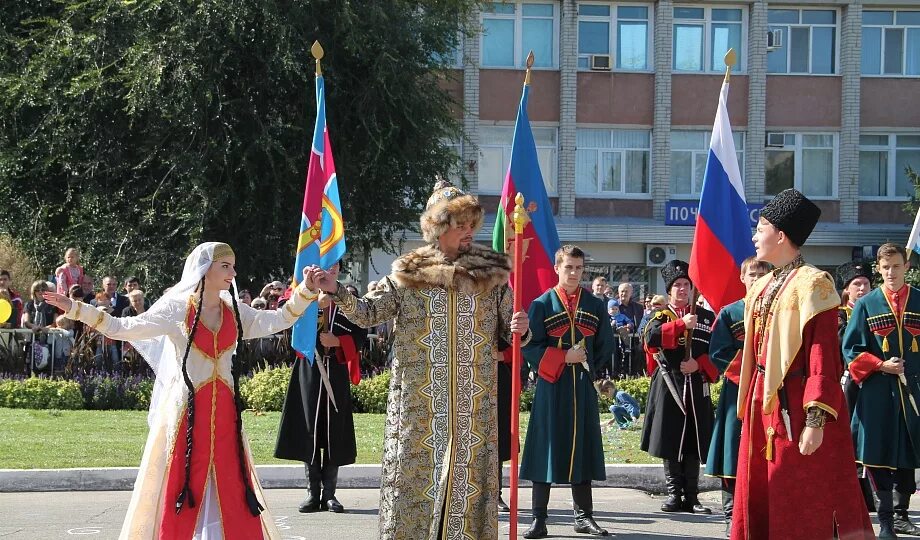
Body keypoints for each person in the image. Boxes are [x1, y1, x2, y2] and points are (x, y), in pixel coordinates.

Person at [43, 242, 320, 539]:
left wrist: (306, 287)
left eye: (232, 266)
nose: (233, 272)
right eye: (225, 266)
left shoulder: (236, 311)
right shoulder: (176, 310)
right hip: (186, 416)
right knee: (183, 485)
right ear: (205, 269)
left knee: (230, 482)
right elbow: (121, 327)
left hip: (226, 416)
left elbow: (281, 318)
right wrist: (75, 308)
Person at [310, 179, 530, 540]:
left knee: (469, 477)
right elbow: (368, 314)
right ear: (439, 229)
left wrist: (522, 326)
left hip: (472, 405)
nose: (468, 233)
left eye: (471, 225)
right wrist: (336, 292)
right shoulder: (406, 274)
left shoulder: (491, 276)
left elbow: (512, 330)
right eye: (461, 226)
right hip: (421, 403)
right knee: (417, 478)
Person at [732, 188, 874, 540]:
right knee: (760, 493)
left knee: (796, 500)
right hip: (761, 403)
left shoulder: (814, 284)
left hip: (795, 407)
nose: (754, 235)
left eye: (760, 227)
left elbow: (822, 356)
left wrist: (816, 420)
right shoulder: (762, 283)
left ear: (780, 235)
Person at [519, 244, 613, 538]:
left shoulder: (596, 305)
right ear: (557, 268)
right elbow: (530, 347)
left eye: (579, 268)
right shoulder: (542, 304)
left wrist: (591, 368)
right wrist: (562, 358)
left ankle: (584, 517)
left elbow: (605, 345)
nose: (574, 273)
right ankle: (539, 518)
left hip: (582, 387)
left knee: (582, 446)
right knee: (544, 448)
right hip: (552, 385)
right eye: (569, 267)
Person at [275, 261, 367, 514]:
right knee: (310, 430)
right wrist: (314, 303)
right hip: (309, 368)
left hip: (335, 371)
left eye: (335, 267)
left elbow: (360, 333)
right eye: (327, 266)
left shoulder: (347, 297)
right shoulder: (300, 292)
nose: (331, 271)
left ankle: (330, 494)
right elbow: (284, 314)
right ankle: (312, 493)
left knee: (333, 432)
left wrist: (338, 340)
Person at [843, 243, 920, 538]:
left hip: (913, 390)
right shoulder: (866, 304)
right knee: (876, 453)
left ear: (906, 267)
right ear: (879, 269)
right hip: (877, 393)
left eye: (896, 266)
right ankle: (886, 522)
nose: (891, 272)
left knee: (908, 452)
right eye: (885, 267)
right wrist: (879, 365)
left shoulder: (919, 301)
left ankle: (902, 514)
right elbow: (851, 349)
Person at [641, 260, 717, 515]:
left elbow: (717, 352)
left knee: (694, 439)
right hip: (669, 383)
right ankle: (674, 494)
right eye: (677, 285)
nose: (683, 289)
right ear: (669, 290)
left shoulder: (706, 317)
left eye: (686, 284)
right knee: (672, 438)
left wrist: (698, 364)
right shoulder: (660, 316)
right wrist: (682, 324)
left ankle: (693, 496)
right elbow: (650, 338)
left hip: (696, 383)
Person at [704, 256, 769, 537]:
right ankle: (731, 513)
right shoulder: (730, 313)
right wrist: (750, 373)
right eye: (751, 274)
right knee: (732, 452)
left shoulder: (778, 311)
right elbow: (717, 352)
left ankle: (762, 514)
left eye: (761, 273)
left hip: (770, 393)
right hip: (738, 393)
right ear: (742, 278)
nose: (756, 278)